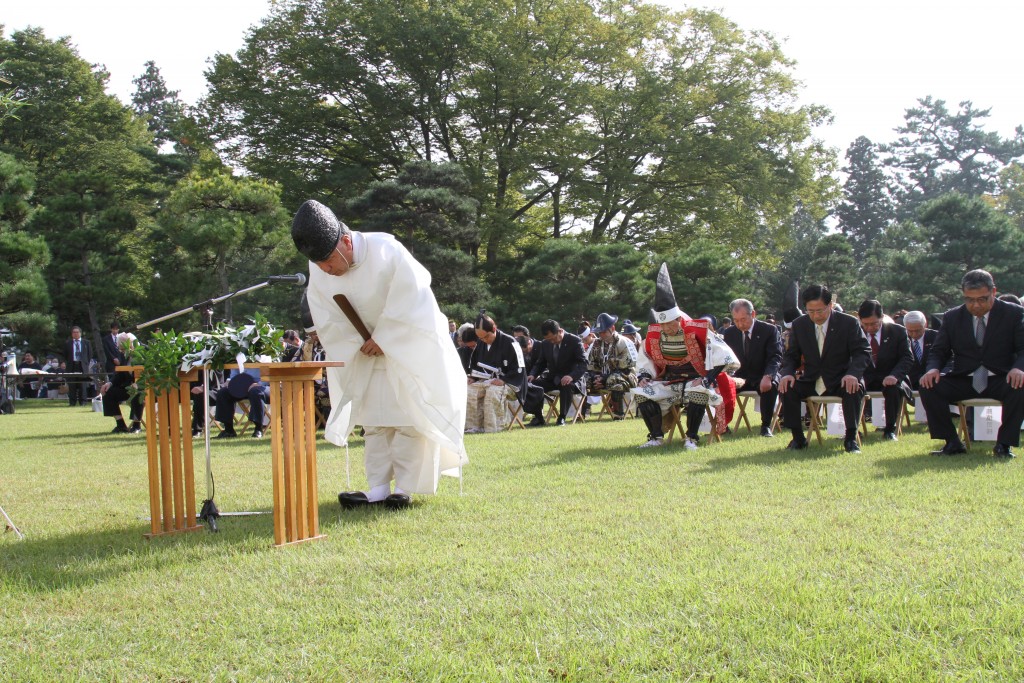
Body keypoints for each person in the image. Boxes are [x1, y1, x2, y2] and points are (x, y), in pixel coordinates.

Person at [292, 199, 467, 510]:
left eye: (329, 262)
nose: (326, 271)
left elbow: (413, 299)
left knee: (405, 420)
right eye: (320, 266)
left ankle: (404, 488)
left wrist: (385, 337)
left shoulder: (387, 250)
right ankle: (377, 488)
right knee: (373, 422)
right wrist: (357, 342)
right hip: (363, 354)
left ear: (345, 241)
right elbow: (326, 315)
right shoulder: (320, 267)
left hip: (405, 346)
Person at [919, 269, 1024, 457]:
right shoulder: (952, 317)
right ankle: (952, 442)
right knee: (928, 386)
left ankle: (1004, 445)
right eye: (969, 299)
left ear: (994, 291)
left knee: (1021, 386)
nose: (976, 305)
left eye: (982, 299)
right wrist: (933, 368)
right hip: (964, 378)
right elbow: (939, 350)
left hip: (1000, 377)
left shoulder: (1014, 313)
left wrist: (1018, 368)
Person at [633, 264, 738, 449]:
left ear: (678, 319)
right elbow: (645, 359)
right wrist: (644, 377)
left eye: (669, 324)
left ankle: (692, 438)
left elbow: (725, 355)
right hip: (670, 382)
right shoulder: (654, 334)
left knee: (698, 393)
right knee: (642, 394)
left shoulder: (697, 330)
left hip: (695, 380)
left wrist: (708, 378)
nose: (666, 328)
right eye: (662, 324)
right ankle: (655, 437)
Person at [779, 284, 870, 453]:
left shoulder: (848, 323)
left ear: (830, 305)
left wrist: (853, 374)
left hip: (841, 377)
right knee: (786, 387)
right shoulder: (799, 324)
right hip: (812, 378)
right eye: (810, 311)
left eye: (820, 311)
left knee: (852, 388)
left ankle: (851, 439)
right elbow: (792, 355)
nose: (815, 316)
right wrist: (787, 374)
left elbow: (862, 352)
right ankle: (798, 438)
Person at [724, 298, 783, 437]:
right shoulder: (730, 333)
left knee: (771, 385)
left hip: (763, 374)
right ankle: (722, 425)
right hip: (740, 376)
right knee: (720, 385)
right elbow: (726, 359)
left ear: (753, 314)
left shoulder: (769, 330)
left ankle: (766, 426)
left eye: (743, 319)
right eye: (736, 320)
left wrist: (768, 376)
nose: (740, 324)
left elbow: (776, 357)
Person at [857, 299, 913, 441]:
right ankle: (852, 430)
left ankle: (889, 429)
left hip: (891, 376)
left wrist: (895, 375)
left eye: (874, 323)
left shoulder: (897, 331)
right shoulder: (856, 333)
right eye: (865, 324)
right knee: (850, 388)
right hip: (866, 377)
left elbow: (907, 357)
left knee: (892, 388)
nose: (869, 328)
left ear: (882, 318)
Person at [464, 312, 527, 433]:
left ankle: (493, 427)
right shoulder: (481, 344)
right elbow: (475, 365)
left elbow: (520, 368)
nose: (484, 340)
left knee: (493, 391)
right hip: (488, 380)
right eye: (480, 338)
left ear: (494, 329)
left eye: (486, 336)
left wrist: (504, 380)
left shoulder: (511, 342)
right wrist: (473, 378)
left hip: (512, 383)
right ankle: (474, 427)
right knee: (470, 390)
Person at [527, 319, 587, 426]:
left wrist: (571, 376)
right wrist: (533, 374)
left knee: (566, 384)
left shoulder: (574, 341)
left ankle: (562, 417)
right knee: (532, 385)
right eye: (548, 339)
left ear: (560, 331)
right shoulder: (545, 343)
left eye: (553, 338)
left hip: (572, 379)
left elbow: (583, 363)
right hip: (553, 378)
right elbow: (541, 363)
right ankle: (538, 417)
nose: (552, 342)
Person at [586, 313, 637, 420]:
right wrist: (596, 377)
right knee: (583, 379)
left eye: (604, 331)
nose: (601, 334)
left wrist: (605, 378)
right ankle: (582, 412)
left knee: (613, 379)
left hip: (626, 377)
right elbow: (591, 364)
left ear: (612, 328)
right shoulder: (596, 344)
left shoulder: (624, 342)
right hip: (602, 378)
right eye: (599, 332)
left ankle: (618, 414)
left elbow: (627, 365)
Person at [101, 333, 143, 433]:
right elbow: (119, 374)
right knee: (108, 391)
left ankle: (137, 426)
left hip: (145, 388)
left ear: (130, 344)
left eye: (123, 349)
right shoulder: (123, 354)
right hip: (128, 387)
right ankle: (121, 425)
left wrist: (139, 383)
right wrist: (109, 383)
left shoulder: (144, 352)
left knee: (137, 392)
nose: (121, 351)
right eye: (120, 349)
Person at [214, 369, 271, 439]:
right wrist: (231, 382)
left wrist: (259, 383)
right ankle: (228, 430)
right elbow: (234, 373)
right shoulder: (238, 357)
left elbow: (271, 372)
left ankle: (258, 428)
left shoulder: (266, 357)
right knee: (223, 392)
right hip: (242, 385)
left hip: (264, 386)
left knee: (256, 392)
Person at [904, 310, 938, 390]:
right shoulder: (901, 339)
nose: (914, 334)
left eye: (918, 330)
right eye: (910, 331)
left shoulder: (937, 337)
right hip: (910, 386)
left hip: (933, 385)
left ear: (925, 325)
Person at [63, 326, 93, 407]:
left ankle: (83, 402)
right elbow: (65, 355)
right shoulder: (68, 343)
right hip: (72, 365)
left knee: (82, 385)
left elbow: (90, 354)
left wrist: (85, 363)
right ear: (72, 334)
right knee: (72, 384)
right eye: (74, 332)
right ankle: (72, 402)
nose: (75, 334)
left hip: (82, 366)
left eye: (77, 332)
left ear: (80, 333)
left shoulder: (86, 343)